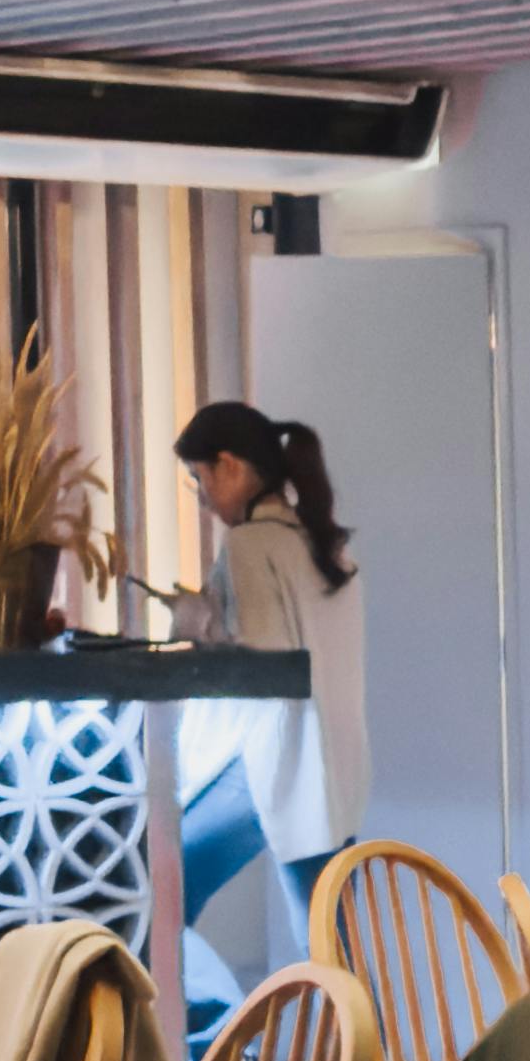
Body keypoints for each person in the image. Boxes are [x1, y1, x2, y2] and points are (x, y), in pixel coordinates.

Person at [162, 400, 367, 992]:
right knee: (334, 948)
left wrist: (198, 625)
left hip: (270, 764)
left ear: (229, 466)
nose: (203, 500)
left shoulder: (251, 543)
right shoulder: (325, 544)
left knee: (160, 896)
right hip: (334, 767)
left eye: (200, 481)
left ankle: (219, 1038)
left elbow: (263, 663)